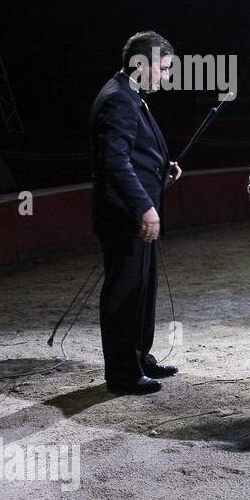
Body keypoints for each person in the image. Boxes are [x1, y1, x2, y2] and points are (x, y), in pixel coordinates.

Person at [88, 31, 182, 394]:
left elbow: (134, 152)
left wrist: (163, 167)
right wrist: (144, 206)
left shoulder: (130, 95)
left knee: (142, 289)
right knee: (124, 292)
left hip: (137, 212)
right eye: (163, 67)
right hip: (126, 217)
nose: (166, 76)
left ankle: (139, 357)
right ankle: (123, 375)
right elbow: (114, 161)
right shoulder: (119, 100)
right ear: (141, 63)